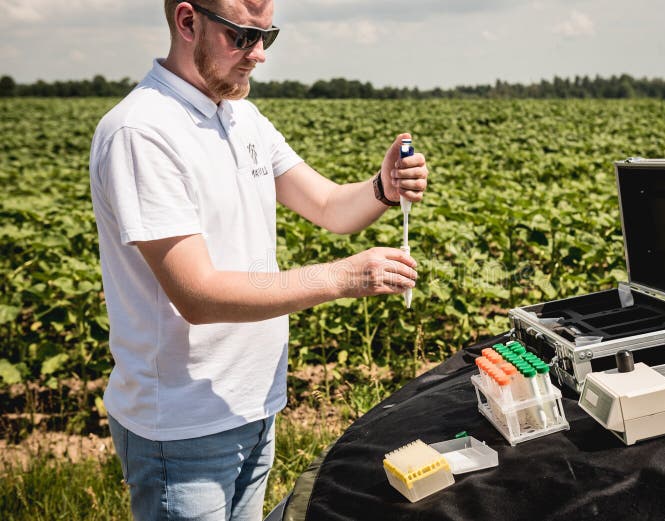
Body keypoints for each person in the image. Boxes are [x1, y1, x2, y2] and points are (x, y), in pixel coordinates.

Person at [88, 0, 429, 519]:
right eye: (242, 37)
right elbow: (197, 295)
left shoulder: (241, 116)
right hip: (182, 428)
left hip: (254, 405)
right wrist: (344, 275)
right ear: (187, 22)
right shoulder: (142, 132)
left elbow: (329, 207)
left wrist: (382, 188)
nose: (258, 55)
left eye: (265, 37)